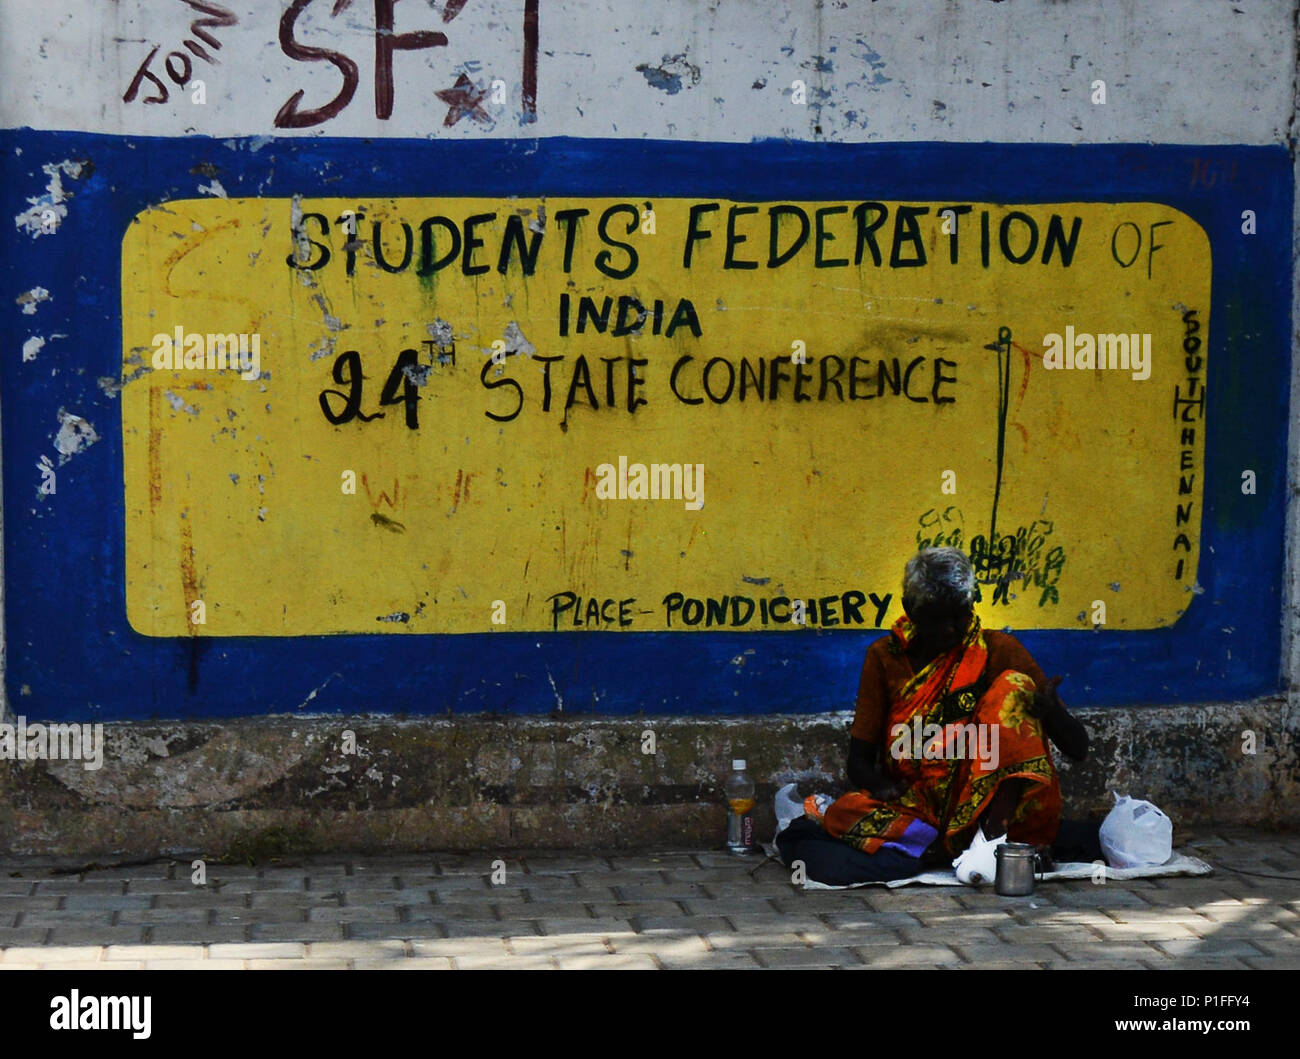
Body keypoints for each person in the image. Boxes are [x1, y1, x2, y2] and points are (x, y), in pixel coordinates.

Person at [777, 546, 1092, 885]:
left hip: (988, 807)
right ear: (910, 610)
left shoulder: (998, 650)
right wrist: (881, 787)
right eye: (939, 617)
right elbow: (859, 763)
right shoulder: (884, 657)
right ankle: (942, 846)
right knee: (842, 812)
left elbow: (1078, 746)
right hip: (920, 807)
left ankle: (990, 839)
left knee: (1013, 687)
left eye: (961, 614)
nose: (953, 629)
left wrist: (1050, 714)